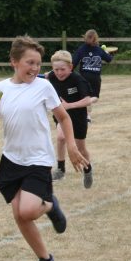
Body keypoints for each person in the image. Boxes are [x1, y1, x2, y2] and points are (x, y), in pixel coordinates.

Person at [0, 36, 88, 261]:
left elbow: (64, 117)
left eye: (38, 64)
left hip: (38, 158)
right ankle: (45, 260)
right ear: (14, 62)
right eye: (30, 63)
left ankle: (50, 204)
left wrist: (71, 146)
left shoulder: (43, 87)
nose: (35, 68)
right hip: (11, 159)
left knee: (27, 211)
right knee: (19, 215)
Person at [45, 50, 97, 187]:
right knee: (61, 137)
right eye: (56, 69)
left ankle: (88, 170)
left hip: (78, 116)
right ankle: (60, 170)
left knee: (80, 148)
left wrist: (69, 105)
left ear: (70, 67)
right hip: (61, 114)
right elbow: (46, 77)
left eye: (62, 69)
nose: (59, 73)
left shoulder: (78, 79)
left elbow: (87, 100)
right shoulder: (51, 76)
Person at [72, 29, 113, 122]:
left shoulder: (81, 49)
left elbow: (73, 63)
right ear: (96, 38)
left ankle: (87, 115)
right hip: (95, 77)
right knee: (94, 97)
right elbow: (109, 59)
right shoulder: (99, 50)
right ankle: (87, 115)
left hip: (83, 76)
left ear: (85, 37)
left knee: (84, 96)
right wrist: (107, 52)